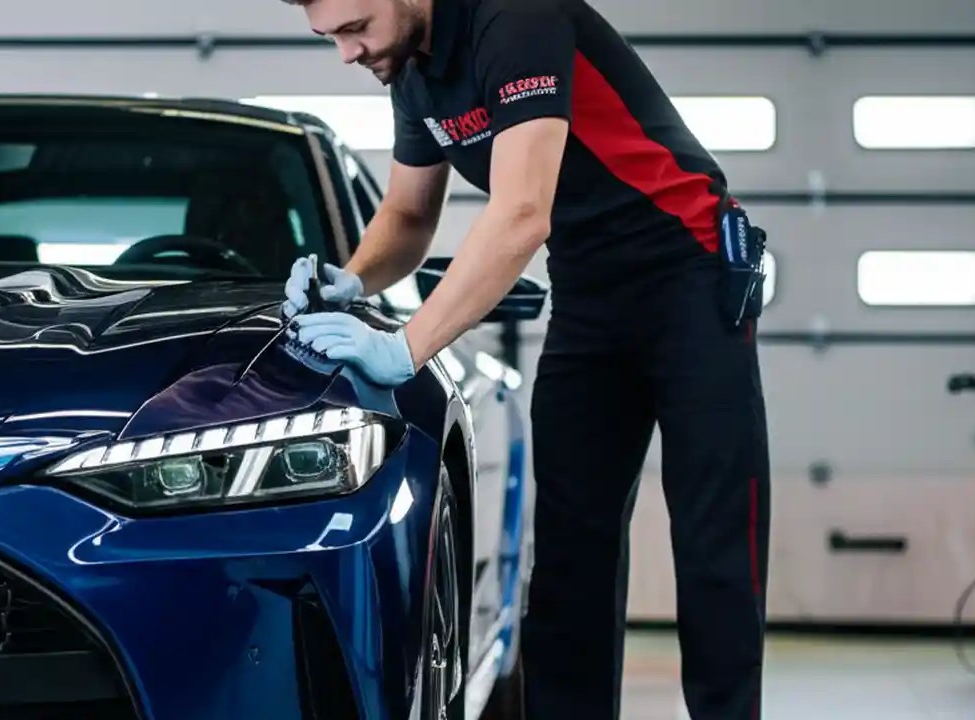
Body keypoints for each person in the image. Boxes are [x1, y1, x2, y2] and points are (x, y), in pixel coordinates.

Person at [277, 1, 771, 718]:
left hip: (688, 275)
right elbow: (409, 218)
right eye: (331, 37)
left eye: (354, 28)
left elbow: (520, 214)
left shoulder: (515, 20)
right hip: (589, 292)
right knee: (571, 554)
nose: (347, 53)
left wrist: (406, 345)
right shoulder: (413, 72)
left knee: (714, 547)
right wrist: (350, 278)